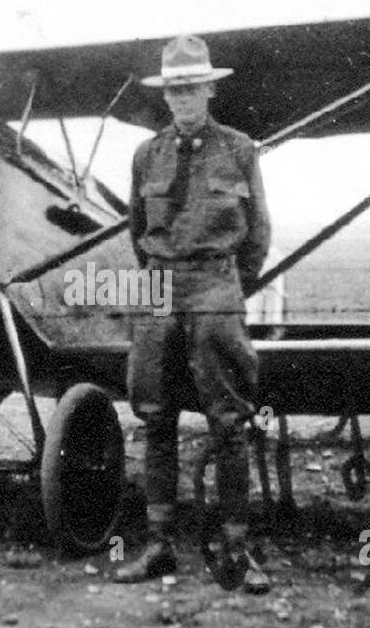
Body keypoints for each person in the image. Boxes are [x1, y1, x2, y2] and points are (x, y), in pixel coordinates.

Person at [115, 35, 272, 592]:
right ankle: (158, 544)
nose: (184, 97)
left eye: (192, 87)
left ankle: (235, 549)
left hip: (216, 290)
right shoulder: (146, 156)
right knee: (154, 417)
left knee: (228, 422)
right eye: (174, 88)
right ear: (166, 95)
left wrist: (225, 289)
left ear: (209, 89)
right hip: (158, 288)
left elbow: (257, 239)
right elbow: (138, 231)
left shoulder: (240, 151)